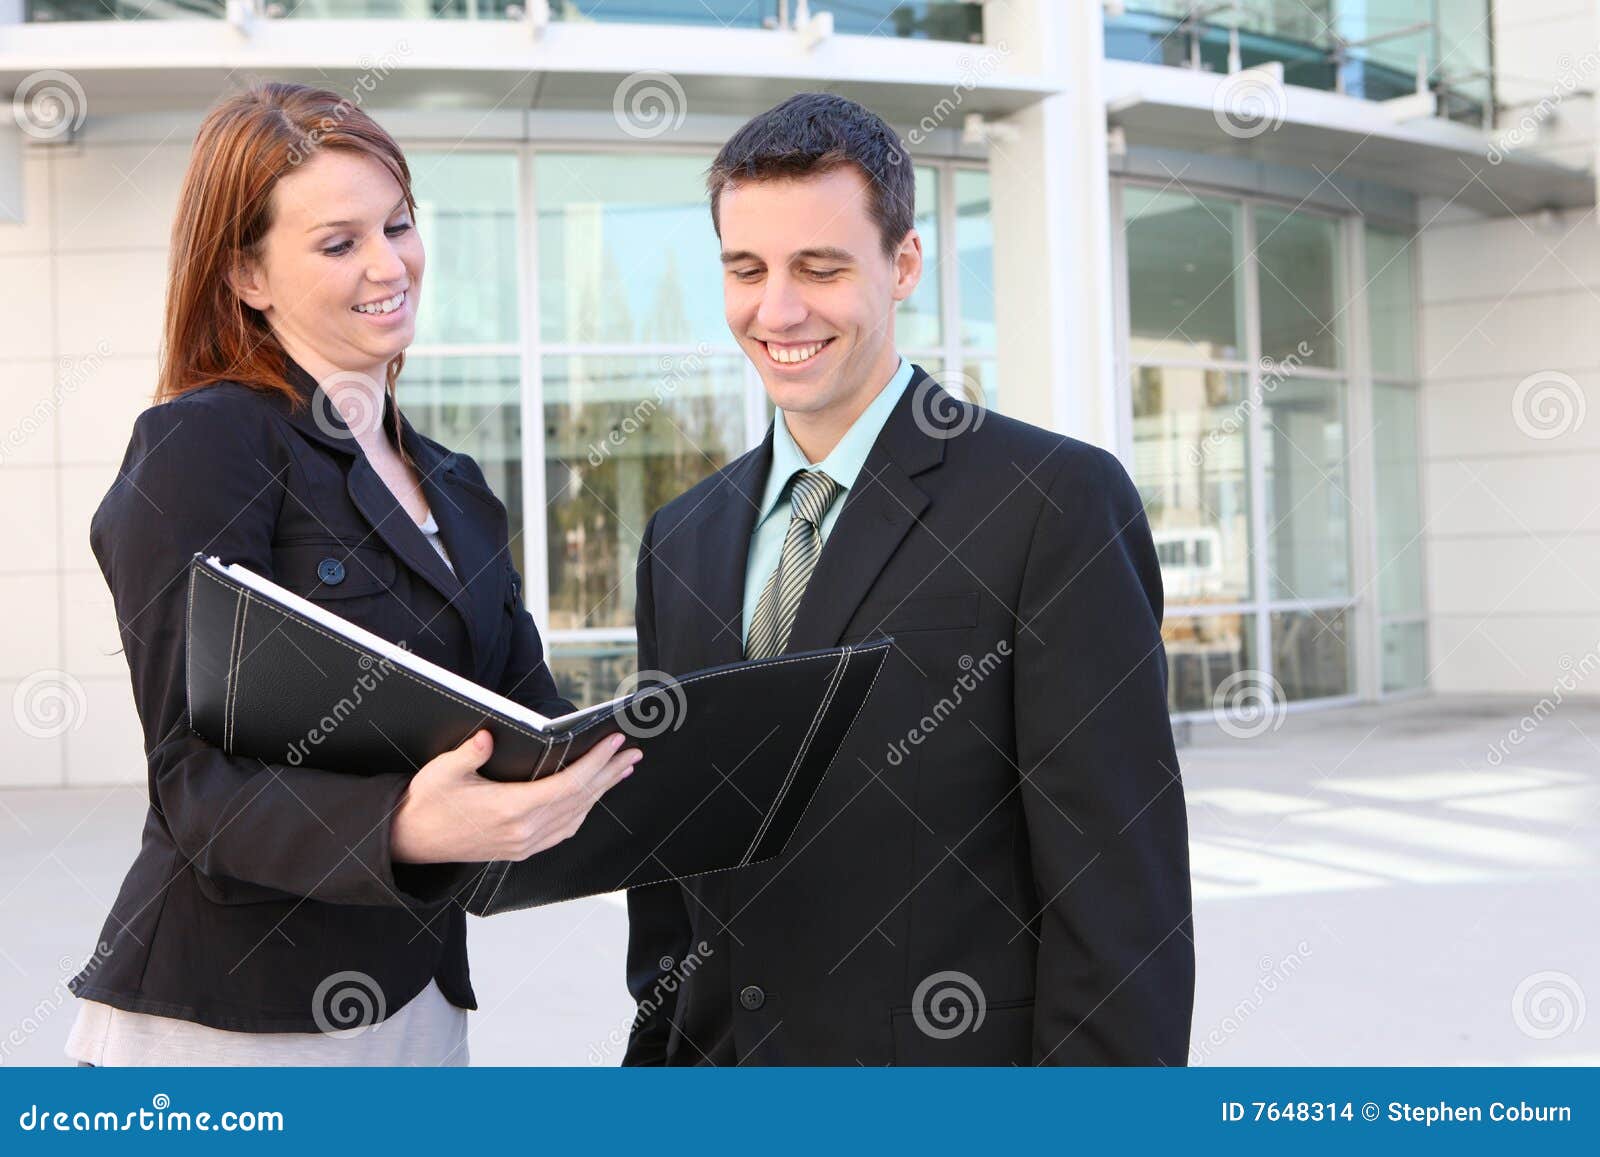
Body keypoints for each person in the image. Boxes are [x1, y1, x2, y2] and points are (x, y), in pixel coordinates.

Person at [64, 82, 640, 1067]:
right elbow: (191, 783)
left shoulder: (455, 486)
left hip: (418, 1005)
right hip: (230, 1017)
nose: (388, 265)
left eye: (399, 224)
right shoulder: (205, 447)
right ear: (248, 275)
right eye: (339, 244)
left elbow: (526, 726)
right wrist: (406, 823)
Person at [623, 92, 1194, 1065]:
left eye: (820, 267)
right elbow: (671, 885)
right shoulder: (679, 539)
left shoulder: (1052, 502)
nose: (779, 310)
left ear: (904, 265)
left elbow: (1118, 896)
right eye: (746, 270)